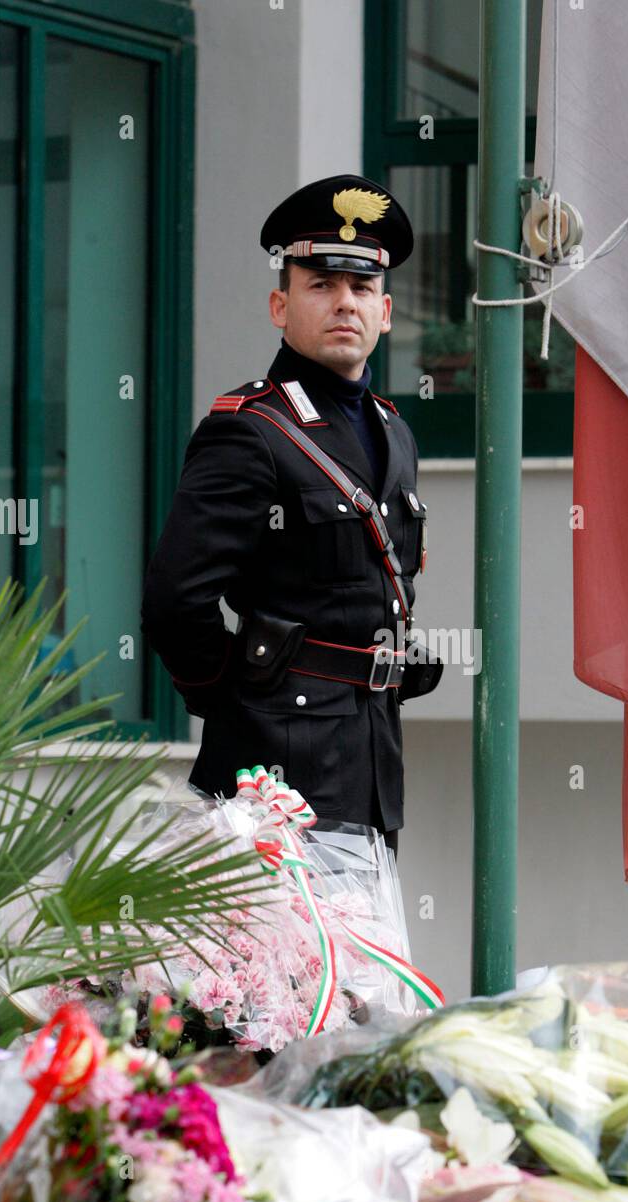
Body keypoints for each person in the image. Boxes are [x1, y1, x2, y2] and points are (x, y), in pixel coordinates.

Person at [141, 174, 440, 858]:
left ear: (386, 312)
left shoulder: (395, 433)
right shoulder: (249, 430)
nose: (345, 304)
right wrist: (240, 699)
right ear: (281, 305)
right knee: (275, 966)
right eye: (321, 285)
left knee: (359, 965)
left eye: (361, 289)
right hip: (271, 772)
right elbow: (173, 601)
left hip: (371, 759)